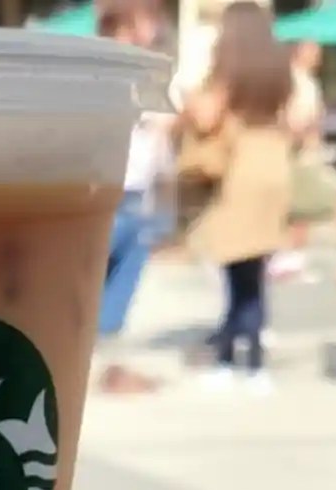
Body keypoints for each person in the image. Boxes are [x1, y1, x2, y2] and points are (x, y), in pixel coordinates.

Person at [183, 1, 293, 395]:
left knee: (235, 273)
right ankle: (256, 365)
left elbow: (206, 117)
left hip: (239, 169)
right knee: (255, 273)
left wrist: (188, 95)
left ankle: (232, 359)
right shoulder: (278, 68)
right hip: (274, 165)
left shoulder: (228, 67)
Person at [92, 0, 177, 394]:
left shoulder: (151, 71)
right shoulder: (103, 72)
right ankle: (91, 366)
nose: (153, 26)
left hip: (137, 194)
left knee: (121, 286)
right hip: (108, 191)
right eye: (146, 18)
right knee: (87, 280)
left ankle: (109, 367)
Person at [272, 40, 330, 283]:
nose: (317, 57)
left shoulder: (307, 80)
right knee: (297, 208)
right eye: (312, 51)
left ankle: (294, 259)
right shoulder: (292, 80)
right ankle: (288, 260)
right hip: (294, 152)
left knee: (302, 209)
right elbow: (286, 115)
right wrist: (301, 132)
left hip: (307, 151)